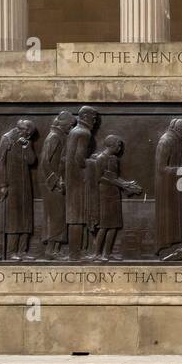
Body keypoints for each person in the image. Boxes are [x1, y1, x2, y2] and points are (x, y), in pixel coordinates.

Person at [94, 135, 144, 260]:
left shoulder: (114, 159)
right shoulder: (100, 158)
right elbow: (99, 178)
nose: (120, 148)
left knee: (114, 225)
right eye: (118, 145)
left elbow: (115, 177)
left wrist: (127, 184)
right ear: (111, 145)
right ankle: (97, 254)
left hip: (115, 193)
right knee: (104, 225)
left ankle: (107, 253)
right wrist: (121, 184)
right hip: (104, 194)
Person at [154, 118, 182, 257]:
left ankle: (178, 244)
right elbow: (161, 168)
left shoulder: (181, 141)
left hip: (179, 182)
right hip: (166, 186)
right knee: (169, 216)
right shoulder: (165, 141)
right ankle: (164, 246)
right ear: (177, 130)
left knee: (180, 215)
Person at [0, 119, 37, 258]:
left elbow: (32, 161)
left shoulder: (26, 141)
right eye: (28, 133)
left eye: (30, 135)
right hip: (11, 183)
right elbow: (0, 162)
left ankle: (23, 251)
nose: (29, 136)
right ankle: (11, 251)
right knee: (14, 217)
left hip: (25, 183)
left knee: (26, 216)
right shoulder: (7, 139)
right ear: (22, 129)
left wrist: (27, 146)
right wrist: (3, 184)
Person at [65, 106, 99, 259]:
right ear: (84, 116)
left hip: (72, 179)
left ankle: (77, 251)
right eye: (93, 118)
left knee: (76, 216)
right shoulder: (84, 133)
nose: (95, 121)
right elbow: (79, 159)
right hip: (79, 179)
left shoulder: (74, 131)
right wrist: (93, 162)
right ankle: (75, 253)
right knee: (78, 217)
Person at [40, 111, 73, 257]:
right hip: (52, 184)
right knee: (56, 216)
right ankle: (51, 251)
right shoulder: (54, 137)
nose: (71, 128)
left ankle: (56, 250)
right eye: (71, 125)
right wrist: (56, 181)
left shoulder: (59, 136)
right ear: (64, 124)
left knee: (58, 215)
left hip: (57, 182)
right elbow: (45, 162)